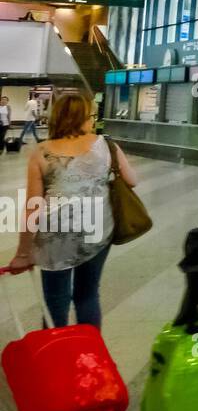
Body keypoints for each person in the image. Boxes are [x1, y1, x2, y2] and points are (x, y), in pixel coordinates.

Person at [5, 92, 139, 327]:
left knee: (56, 301)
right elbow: (132, 180)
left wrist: (23, 252)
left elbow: (33, 207)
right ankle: (89, 356)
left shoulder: (42, 152)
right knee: (87, 295)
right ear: (86, 117)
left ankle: (57, 357)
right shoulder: (107, 146)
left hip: (55, 237)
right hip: (97, 230)